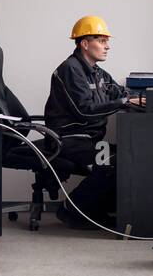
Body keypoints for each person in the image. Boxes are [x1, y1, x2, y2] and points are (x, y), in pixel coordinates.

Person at [44, 15, 145, 229]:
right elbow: (84, 111)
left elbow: (118, 91)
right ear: (84, 43)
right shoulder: (71, 69)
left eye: (107, 41)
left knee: (128, 156)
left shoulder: (96, 71)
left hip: (88, 140)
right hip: (69, 140)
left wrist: (143, 98)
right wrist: (123, 102)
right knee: (115, 162)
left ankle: (97, 211)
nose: (107, 46)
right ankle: (72, 211)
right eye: (101, 40)